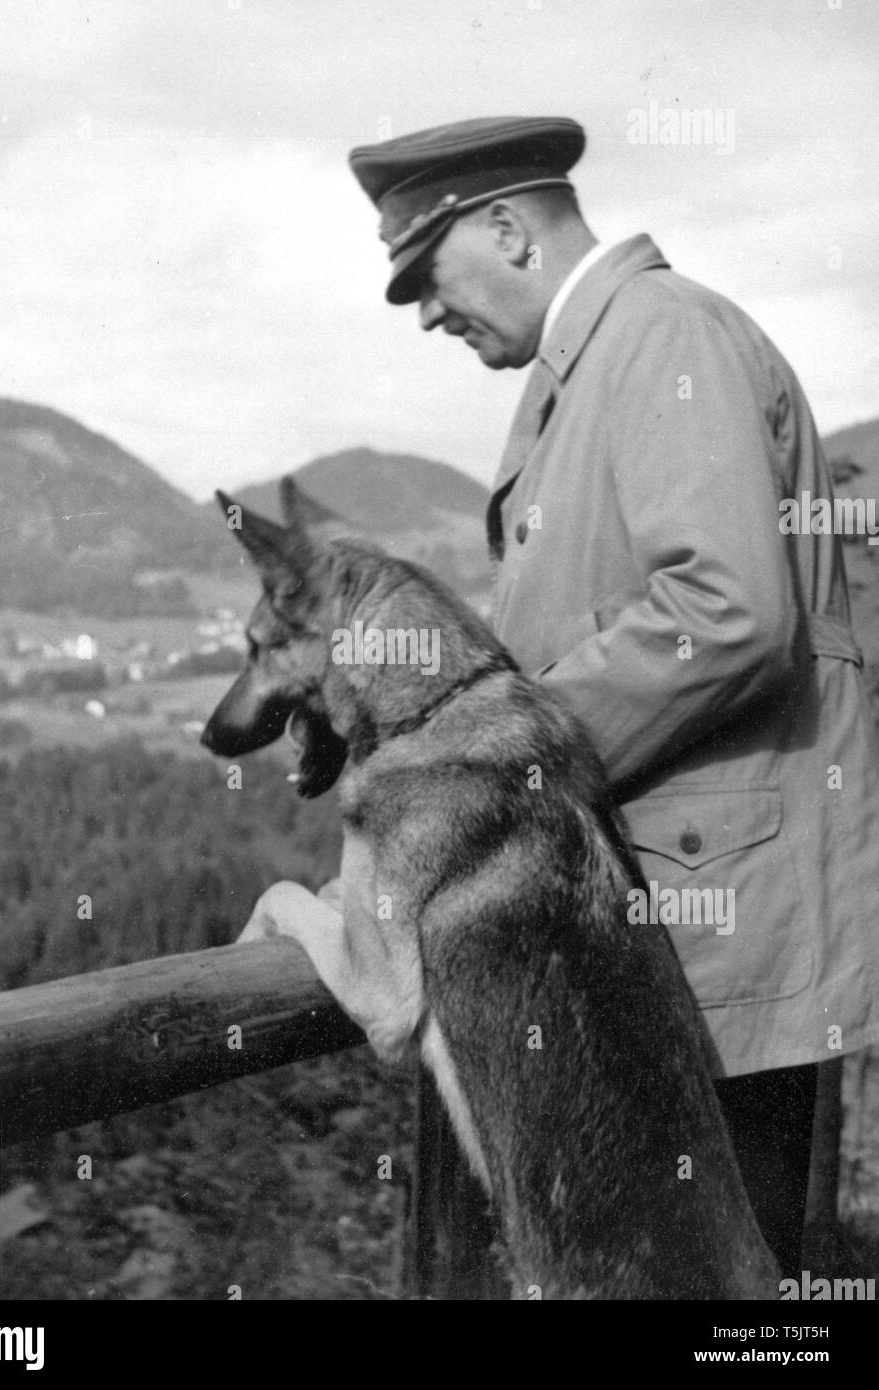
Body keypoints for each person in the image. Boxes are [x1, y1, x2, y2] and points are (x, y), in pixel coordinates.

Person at [346, 115, 879, 1277]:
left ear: (506, 229)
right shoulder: (607, 357)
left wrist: (492, 755)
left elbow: (724, 612)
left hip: (722, 957)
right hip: (675, 955)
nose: (428, 314)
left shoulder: (657, 335)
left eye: (426, 275)